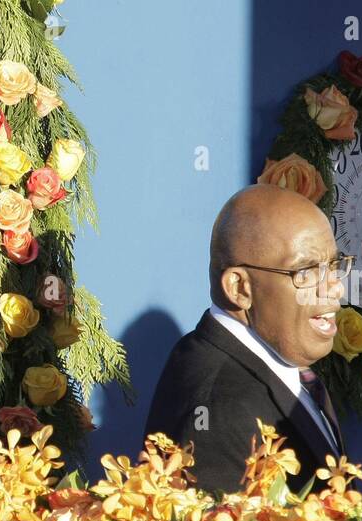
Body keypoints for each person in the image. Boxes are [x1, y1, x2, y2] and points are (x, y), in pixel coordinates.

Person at [145, 184, 350, 495]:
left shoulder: (272, 360)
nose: (335, 289)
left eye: (334, 266)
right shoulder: (217, 413)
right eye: (306, 272)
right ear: (240, 288)